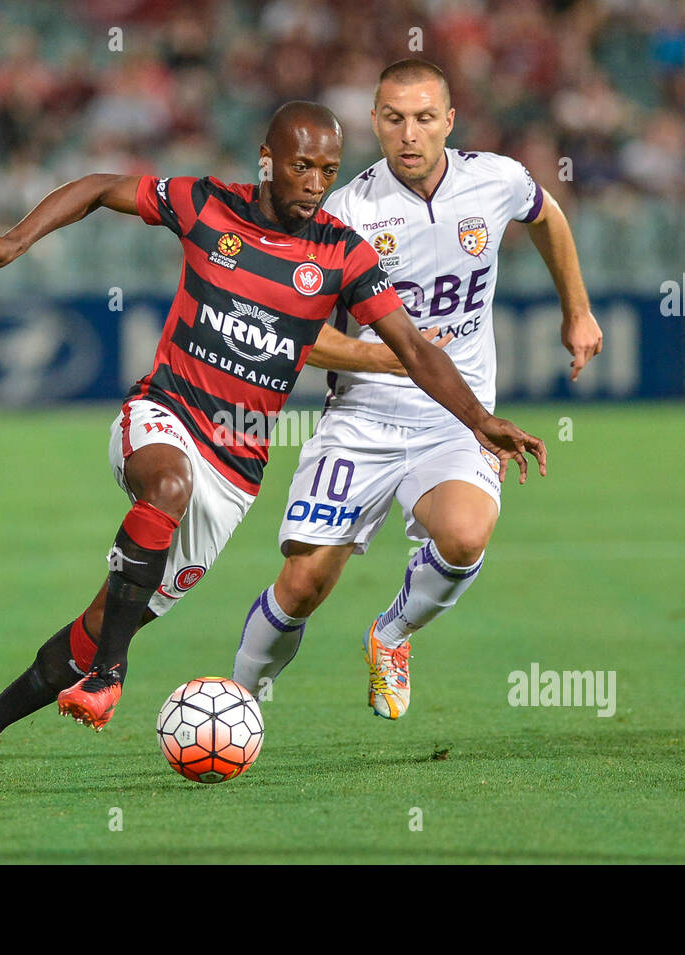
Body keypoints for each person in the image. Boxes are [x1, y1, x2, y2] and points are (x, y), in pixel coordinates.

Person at [0, 100, 545, 786]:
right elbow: (98, 187)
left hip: (235, 469)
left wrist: (476, 416)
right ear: (268, 161)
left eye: (328, 169)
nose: (316, 182)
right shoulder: (205, 206)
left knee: (110, 617)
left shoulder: (341, 252)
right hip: (163, 415)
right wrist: (16, 240)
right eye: (301, 165)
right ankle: (113, 675)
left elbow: (412, 345)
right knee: (165, 487)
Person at [233, 61, 601, 719]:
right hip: (363, 417)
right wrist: (389, 357)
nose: (410, 135)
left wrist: (576, 309)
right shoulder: (344, 212)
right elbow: (301, 336)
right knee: (305, 581)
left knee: (464, 535)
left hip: (455, 416)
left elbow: (547, 218)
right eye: (395, 119)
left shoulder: (497, 179)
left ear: (449, 122)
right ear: (375, 123)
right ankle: (237, 703)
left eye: (425, 118)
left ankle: (392, 634)